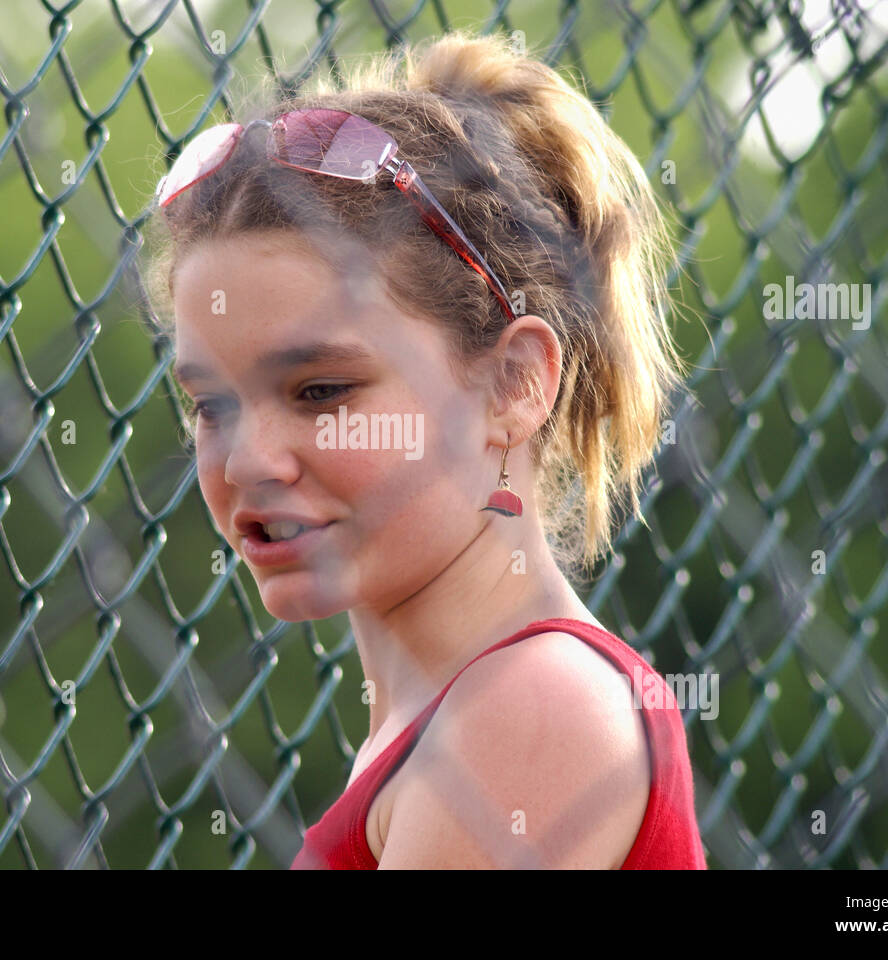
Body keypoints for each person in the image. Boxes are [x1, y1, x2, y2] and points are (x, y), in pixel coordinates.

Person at [145, 30, 706, 868]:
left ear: (512, 383)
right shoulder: (448, 718)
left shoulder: (531, 709)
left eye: (322, 391)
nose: (247, 461)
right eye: (211, 404)